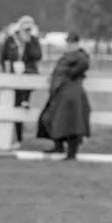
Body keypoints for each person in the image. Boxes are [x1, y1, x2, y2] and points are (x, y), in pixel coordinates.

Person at [37, 32, 91, 160]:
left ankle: (71, 152)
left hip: (71, 94)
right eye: (68, 42)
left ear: (76, 43)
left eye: (71, 42)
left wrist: (70, 73)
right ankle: (58, 145)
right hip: (61, 93)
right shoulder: (68, 56)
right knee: (51, 118)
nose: (69, 45)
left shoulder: (80, 56)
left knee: (71, 123)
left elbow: (83, 65)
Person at [14, 18, 42, 147]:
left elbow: (37, 56)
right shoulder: (12, 40)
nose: (27, 31)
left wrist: (29, 43)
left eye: (29, 29)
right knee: (15, 107)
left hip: (28, 74)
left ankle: (25, 100)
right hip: (14, 75)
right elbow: (5, 55)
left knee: (21, 104)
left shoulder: (33, 41)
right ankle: (17, 137)